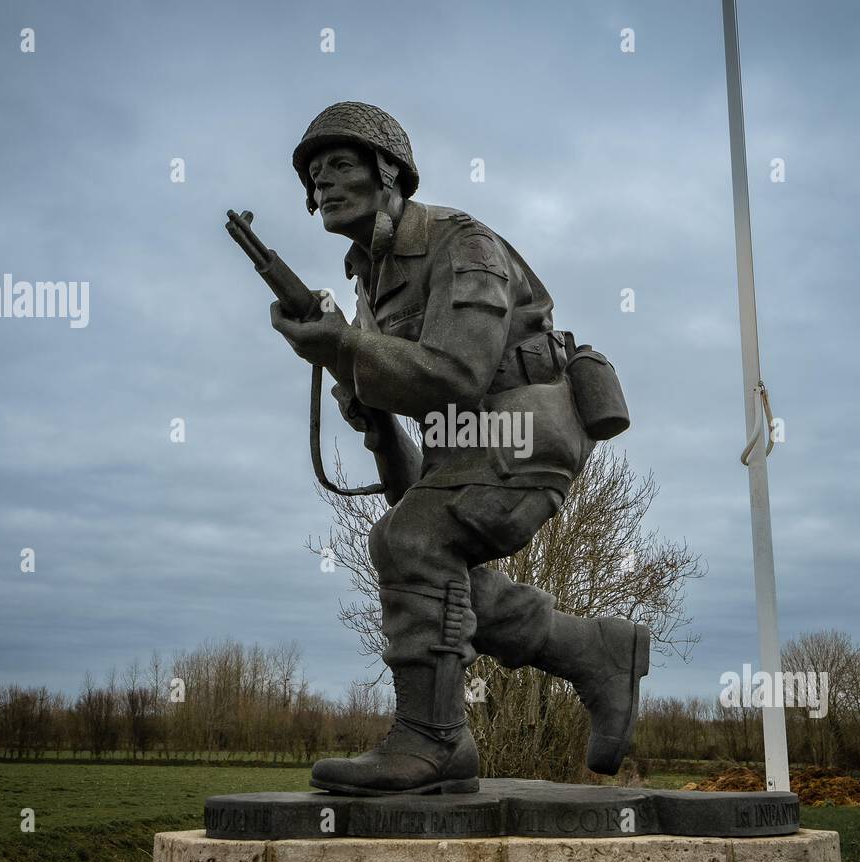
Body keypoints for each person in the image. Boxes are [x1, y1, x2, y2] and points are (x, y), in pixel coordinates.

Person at [270, 102, 650, 795]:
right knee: (426, 553)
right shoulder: (369, 281)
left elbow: (456, 375)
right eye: (314, 174)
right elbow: (404, 460)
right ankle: (591, 651)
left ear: (389, 174)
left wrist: (348, 350)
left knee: (411, 540)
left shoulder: (460, 242)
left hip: (528, 423)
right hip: (465, 439)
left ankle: (434, 739)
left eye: (341, 165)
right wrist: (350, 384)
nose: (323, 183)